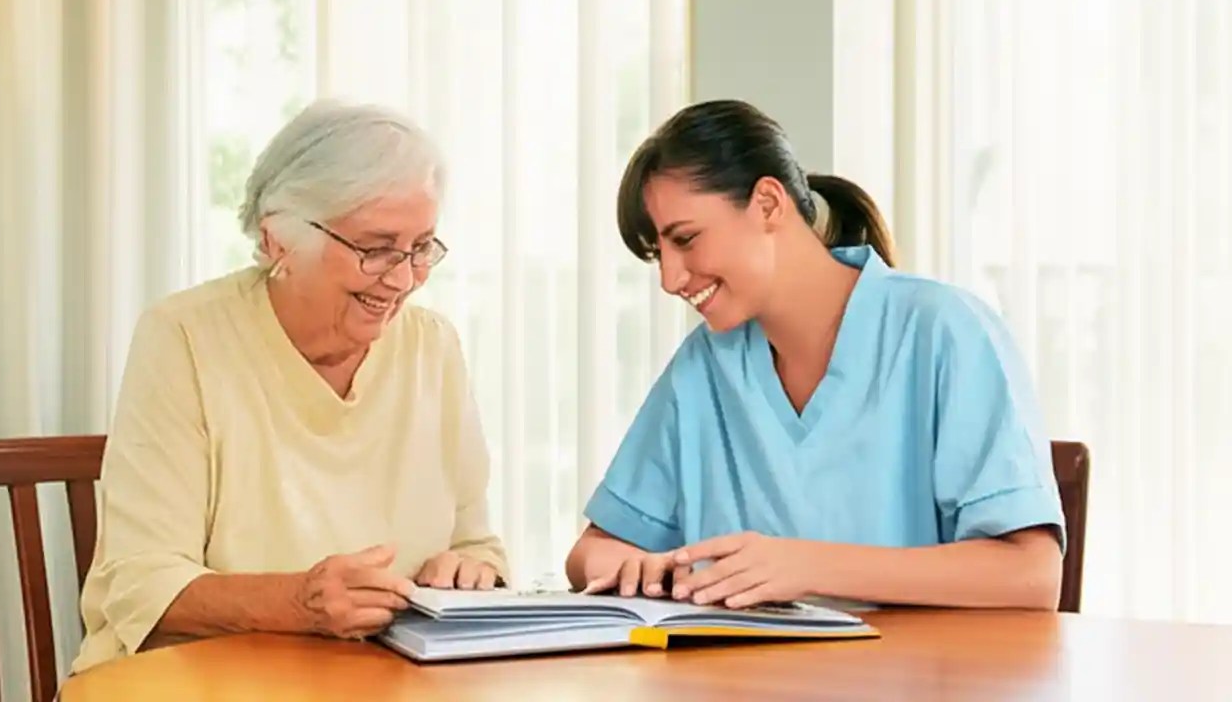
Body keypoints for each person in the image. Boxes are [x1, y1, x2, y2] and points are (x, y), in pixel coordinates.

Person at [565, 99, 1065, 611]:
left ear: (767, 203)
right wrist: (638, 568)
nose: (670, 279)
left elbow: (1031, 575)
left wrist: (805, 567)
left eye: (686, 239)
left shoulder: (943, 332)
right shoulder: (703, 367)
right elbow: (592, 550)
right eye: (658, 256)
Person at [72, 101, 507, 673]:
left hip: (374, 684)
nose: (403, 280)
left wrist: (470, 571)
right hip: (198, 681)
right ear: (279, 239)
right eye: (375, 249)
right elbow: (140, 583)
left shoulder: (433, 344)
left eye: (421, 248)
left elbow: (478, 546)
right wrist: (299, 602)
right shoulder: (183, 337)